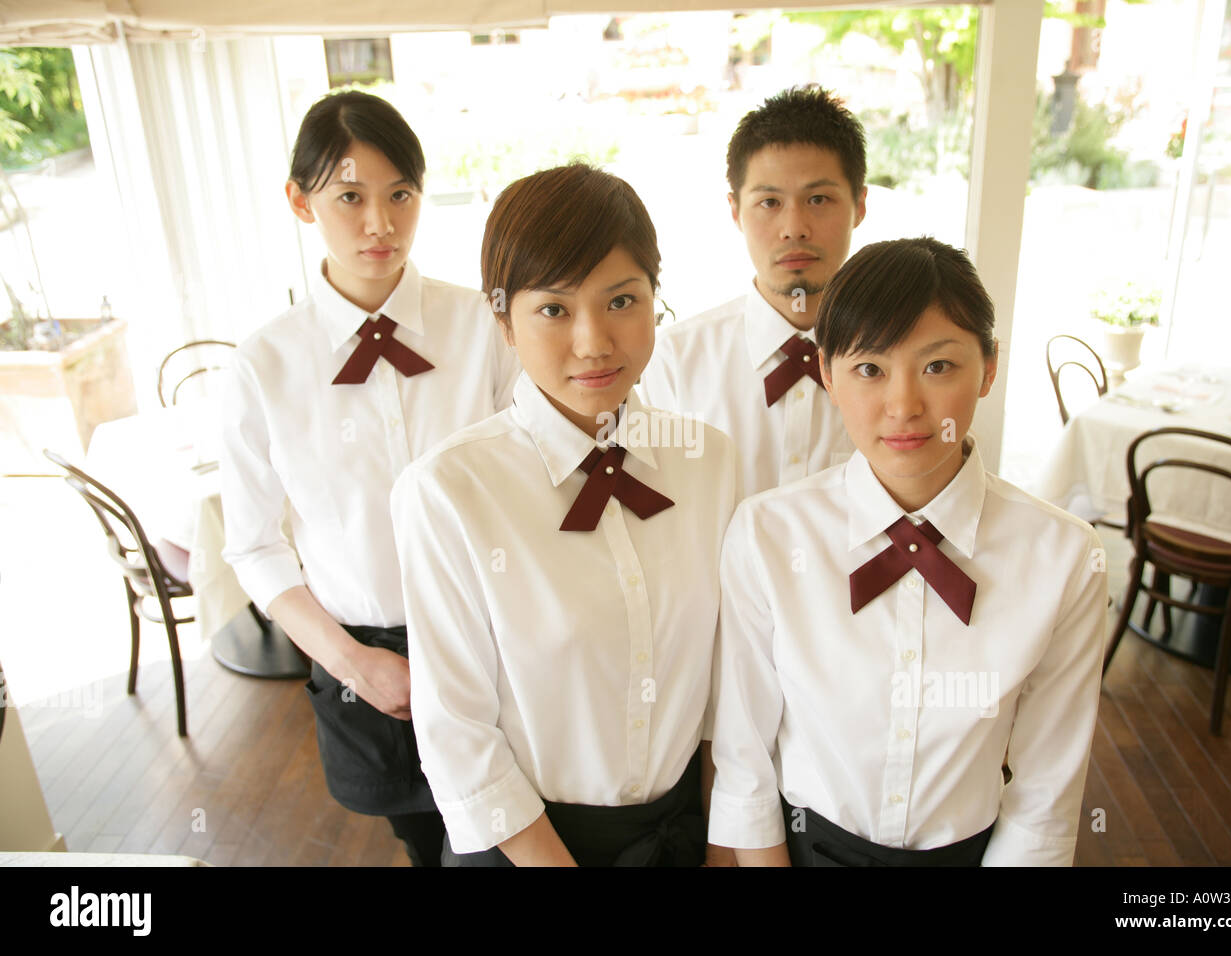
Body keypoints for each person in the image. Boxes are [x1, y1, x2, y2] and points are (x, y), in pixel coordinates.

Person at [707, 237, 1107, 866]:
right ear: (827, 374)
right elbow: (744, 757)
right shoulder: (767, 534)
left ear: (990, 368)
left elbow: (1045, 797)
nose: (904, 407)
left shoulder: (1064, 558)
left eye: (938, 366)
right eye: (869, 368)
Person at [391, 163, 739, 867]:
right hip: (526, 848)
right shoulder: (449, 490)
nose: (593, 341)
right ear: (503, 322)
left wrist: (722, 846)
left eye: (621, 300)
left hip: (683, 834)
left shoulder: (710, 463)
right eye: (553, 309)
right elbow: (457, 727)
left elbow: (726, 684)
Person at [218, 90, 518, 866]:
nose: (380, 224)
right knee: (424, 842)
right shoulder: (265, 365)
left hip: (497, 637)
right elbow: (253, 546)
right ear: (300, 199)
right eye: (349, 197)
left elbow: (532, 473)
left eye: (400, 195)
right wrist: (351, 661)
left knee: (506, 838)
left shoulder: (483, 324)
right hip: (364, 657)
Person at [639, 85, 866, 500]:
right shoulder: (674, 364)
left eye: (818, 199)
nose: (794, 227)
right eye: (769, 202)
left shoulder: (904, 360)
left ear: (860, 204)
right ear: (734, 210)